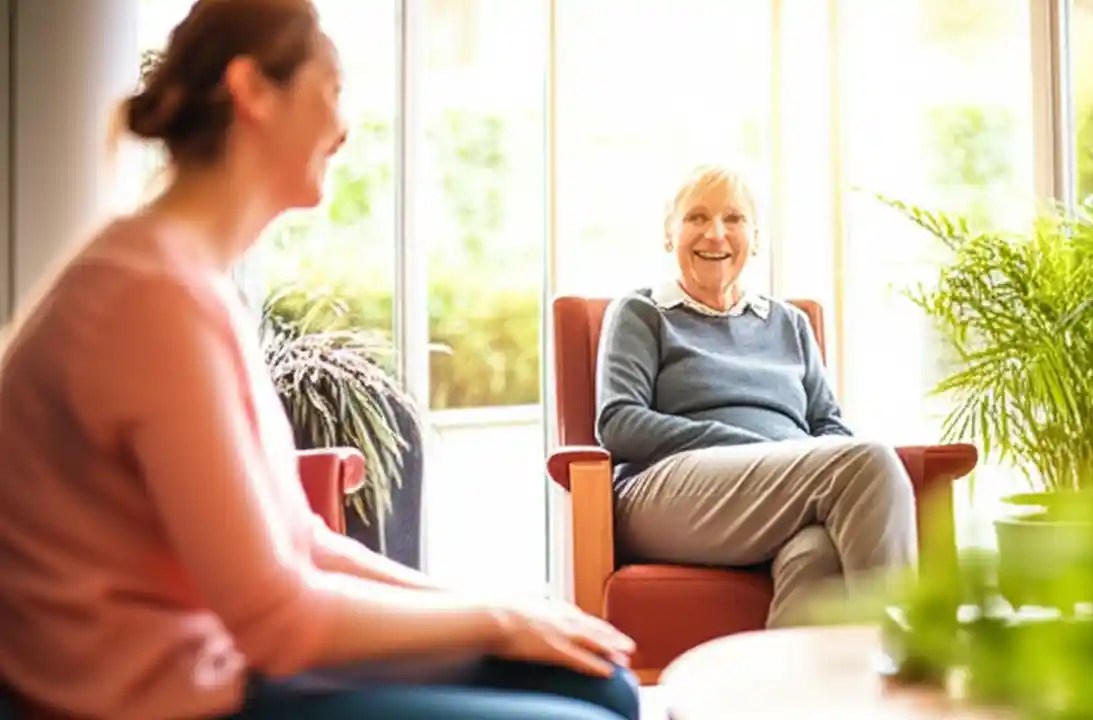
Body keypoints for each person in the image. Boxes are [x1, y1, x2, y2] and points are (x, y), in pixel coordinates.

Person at [0, 1, 637, 719]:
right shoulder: (149, 298)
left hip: (222, 665)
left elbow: (301, 541)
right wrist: (501, 623)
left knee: (602, 681)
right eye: (331, 90)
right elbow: (279, 622)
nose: (342, 128)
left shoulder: (187, 275)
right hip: (156, 700)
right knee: (589, 715)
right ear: (253, 91)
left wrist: (500, 605)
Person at [596, 164, 919, 626]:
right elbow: (619, 423)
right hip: (666, 491)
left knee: (818, 552)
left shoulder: (789, 323)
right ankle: (907, 664)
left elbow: (829, 426)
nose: (715, 234)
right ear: (669, 236)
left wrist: (784, 461)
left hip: (781, 487)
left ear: (756, 237)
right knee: (868, 462)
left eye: (733, 219)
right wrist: (752, 448)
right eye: (696, 218)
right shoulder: (642, 312)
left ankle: (784, 693)